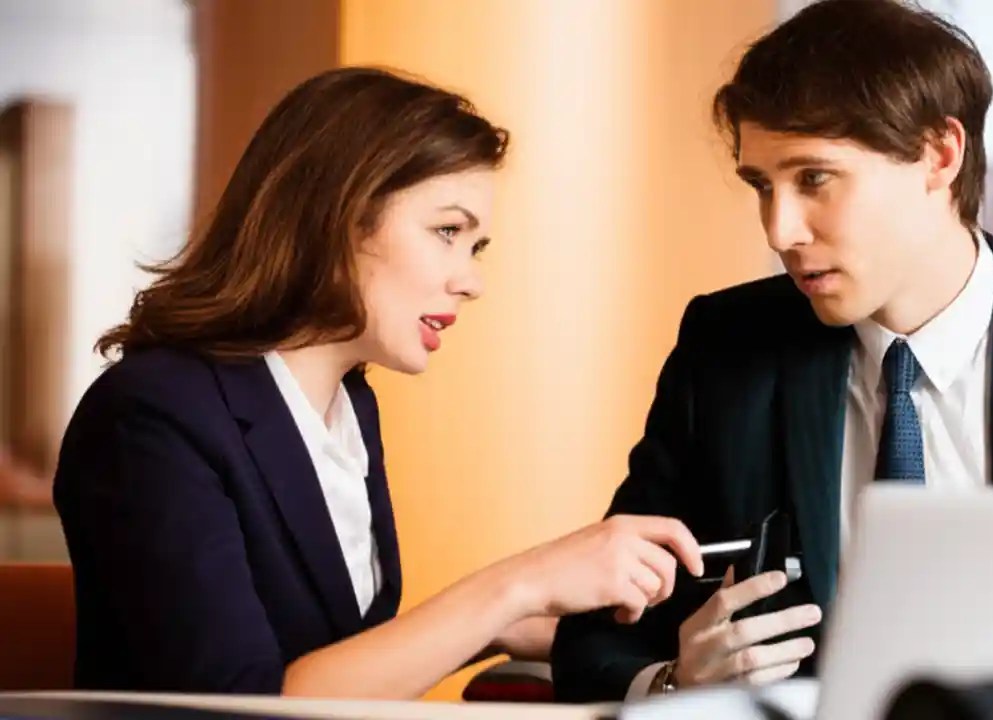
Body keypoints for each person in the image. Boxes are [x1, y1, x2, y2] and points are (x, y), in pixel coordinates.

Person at [551, 0, 993, 702]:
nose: (780, 230)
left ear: (939, 153)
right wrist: (678, 681)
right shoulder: (724, 352)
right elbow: (593, 642)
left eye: (813, 179)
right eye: (760, 186)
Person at [52, 67, 704, 698]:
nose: (470, 281)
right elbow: (242, 702)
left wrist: (500, 628)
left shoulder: (349, 407)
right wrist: (518, 585)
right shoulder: (151, 415)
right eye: (448, 231)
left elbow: (323, 661)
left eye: (475, 248)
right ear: (337, 216)